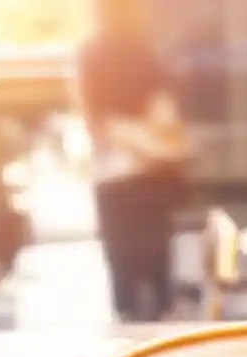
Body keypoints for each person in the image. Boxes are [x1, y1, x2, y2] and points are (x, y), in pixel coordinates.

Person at [78, 0, 189, 322]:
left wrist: (127, 141)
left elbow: (96, 122)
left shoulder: (91, 55)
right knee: (158, 279)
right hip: (152, 177)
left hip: (116, 180)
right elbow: (165, 113)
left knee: (125, 287)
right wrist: (155, 148)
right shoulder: (148, 52)